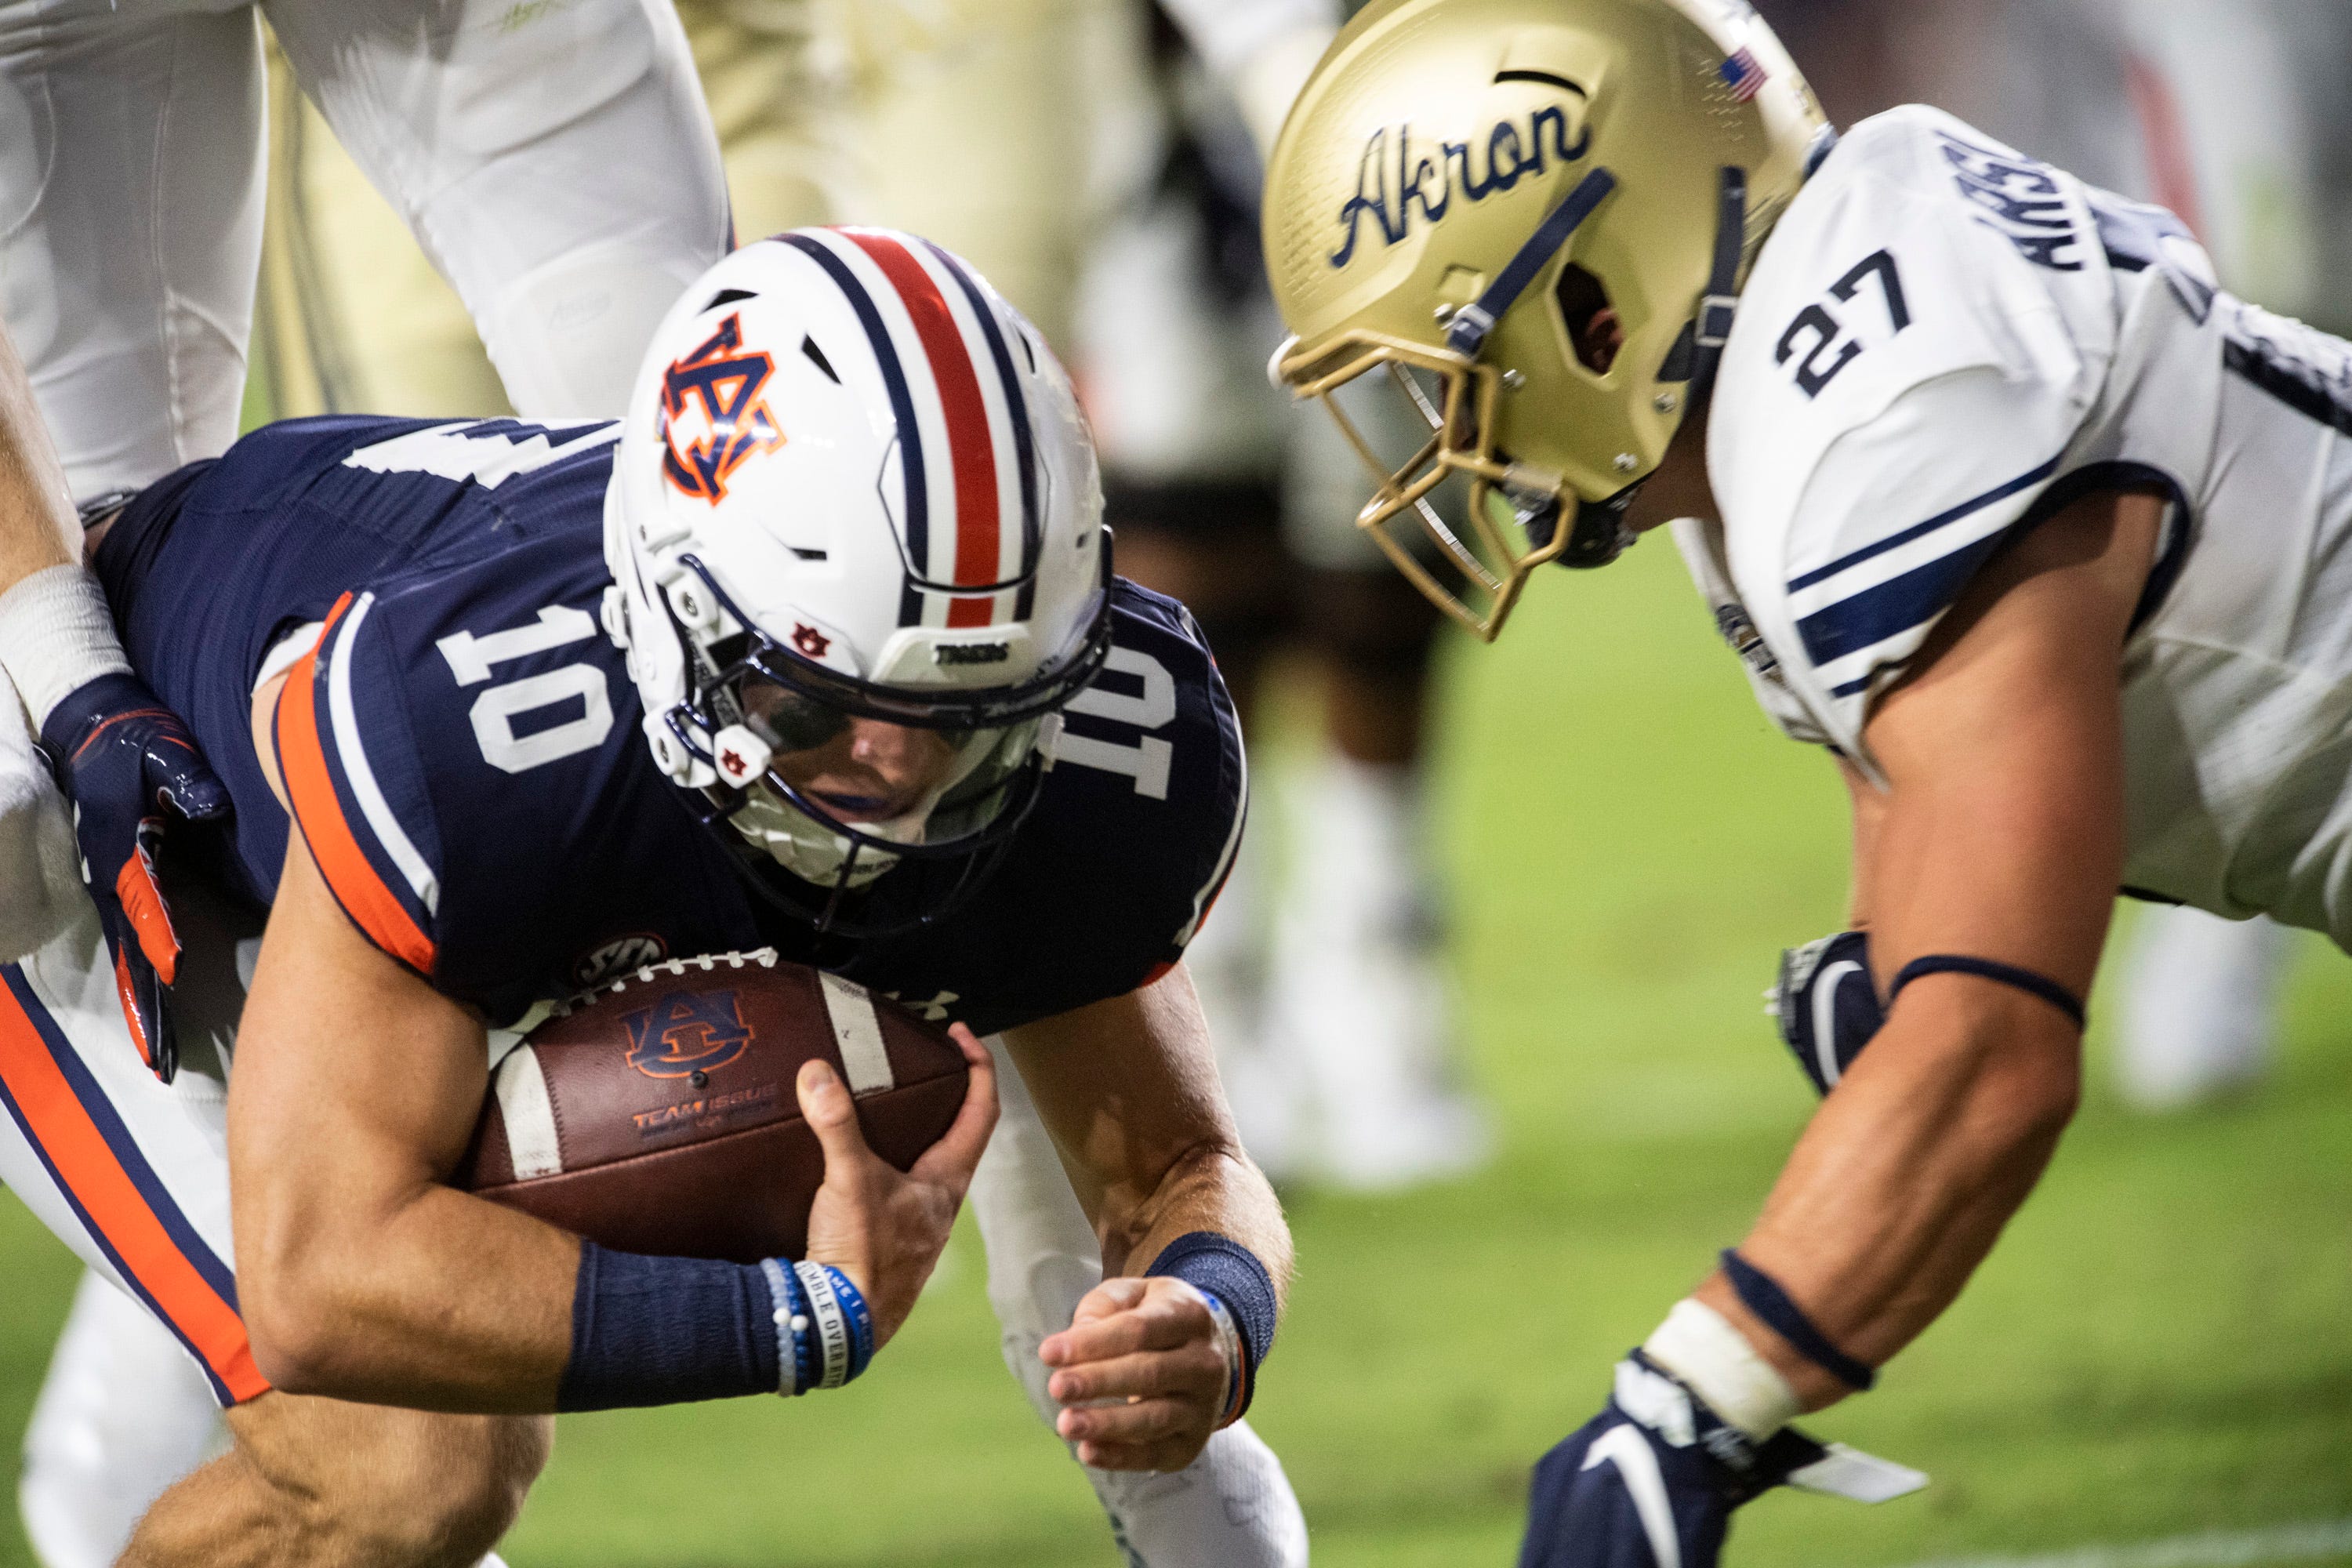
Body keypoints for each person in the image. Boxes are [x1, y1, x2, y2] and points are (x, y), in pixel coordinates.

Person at [0, 231, 1294, 1566]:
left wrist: (1212, 1306)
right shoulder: (475, 732)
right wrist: (796, 1320)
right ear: (679, 619)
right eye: (817, 709)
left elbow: (1186, 1166)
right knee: (401, 1471)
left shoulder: (1106, 746)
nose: (899, 784)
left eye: (973, 722)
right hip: (128, 821)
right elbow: (320, 1280)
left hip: (404, 872)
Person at [1261, 0, 2352, 1560]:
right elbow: (1935, 890)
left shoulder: (1875, 427)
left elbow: (1992, 1047)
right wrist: (1887, 964)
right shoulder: (1794, 367)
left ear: (1595, 301)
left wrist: (1687, 1403)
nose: (1450, 433)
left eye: (1459, 360)